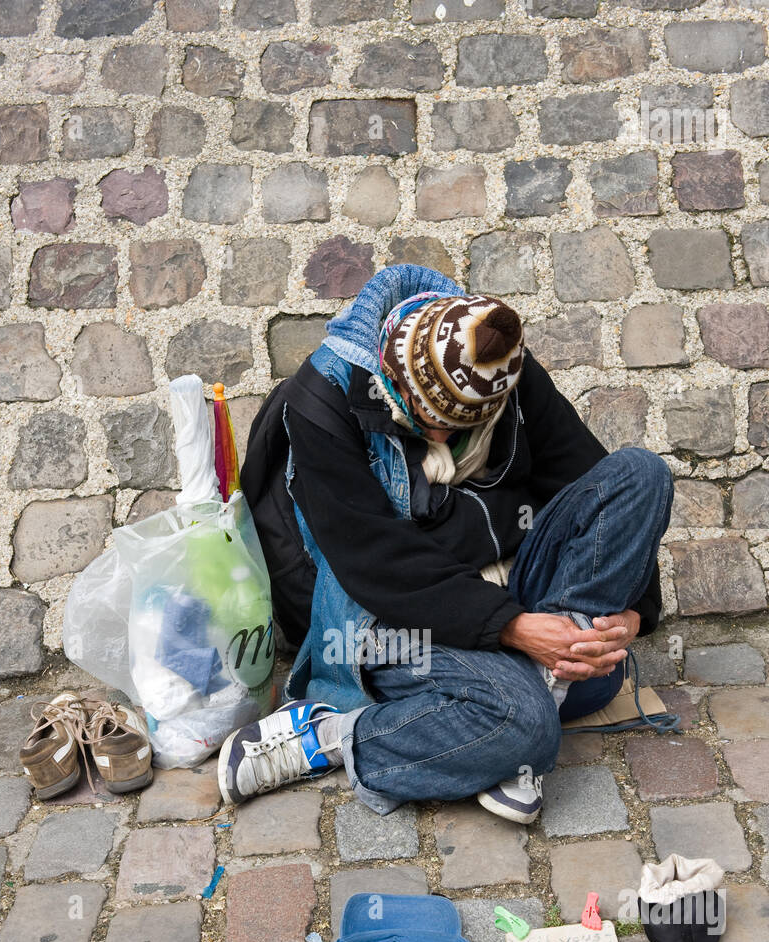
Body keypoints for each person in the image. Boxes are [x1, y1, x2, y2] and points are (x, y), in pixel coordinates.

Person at [218, 264, 673, 824]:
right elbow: (376, 564)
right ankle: (332, 736)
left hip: (509, 585)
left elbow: (581, 477)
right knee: (524, 721)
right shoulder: (324, 400)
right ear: (394, 376)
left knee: (640, 474)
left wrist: (631, 614)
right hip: (390, 616)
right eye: (431, 424)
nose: (442, 439)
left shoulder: (502, 370)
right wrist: (515, 629)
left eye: (461, 429)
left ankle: (546, 682)